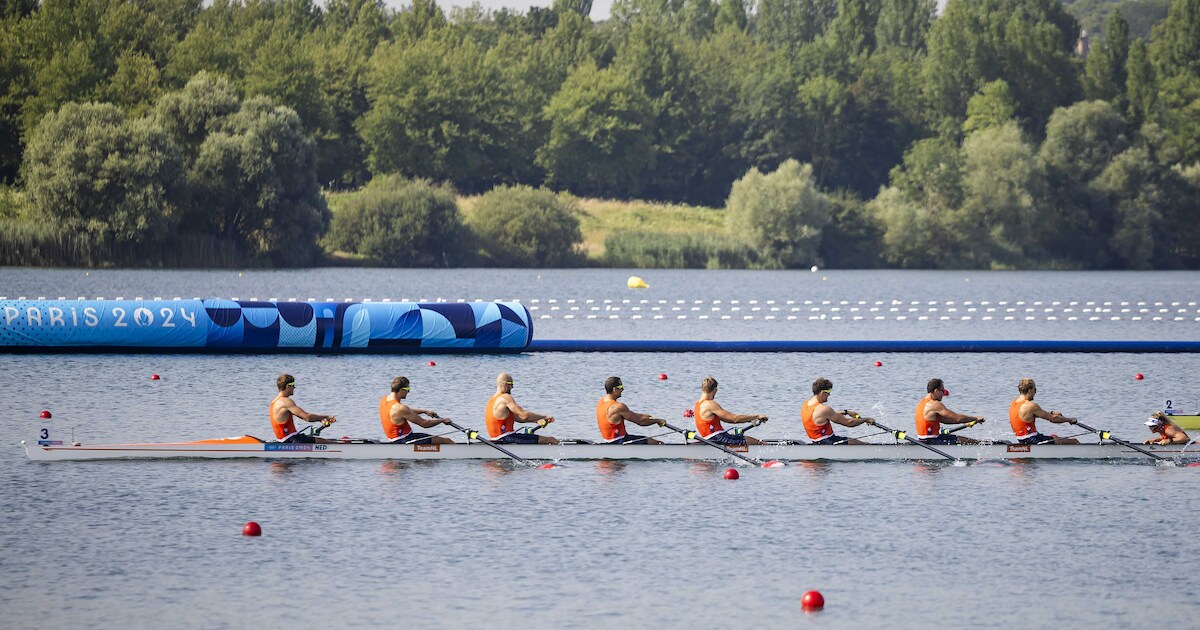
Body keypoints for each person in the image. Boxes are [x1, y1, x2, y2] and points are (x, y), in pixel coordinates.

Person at [485, 372, 560, 445]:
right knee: (551, 440)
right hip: (506, 438)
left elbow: (519, 418)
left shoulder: (491, 400)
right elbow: (524, 415)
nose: (512, 387)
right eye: (511, 384)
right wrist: (545, 417)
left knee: (538, 439)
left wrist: (536, 420)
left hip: (496, 439)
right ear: (505, 384)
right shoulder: (505, 398)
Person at [694, 376, 768, 446]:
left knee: (741, 437)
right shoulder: (710, 404)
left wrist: (749, 419)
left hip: (708, 439)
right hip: (718, 438)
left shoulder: (697, 405)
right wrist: (757, 416)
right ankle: (767, 449)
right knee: (756, 442)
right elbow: (734, 419)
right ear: (715, 390)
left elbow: (727, 420)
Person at [380, 376, 456, 445]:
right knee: (447, 441)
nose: (408, 392)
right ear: (401, 390)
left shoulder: (384, 400)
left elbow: (405, 412)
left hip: (396, 439)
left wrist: (424, 411)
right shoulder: (400, 408)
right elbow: (425, 424)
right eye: (407, 389)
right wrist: (442, 420)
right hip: (404, 441)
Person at [800, 377, 874, 445]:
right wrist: (866, 419)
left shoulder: (806, 404)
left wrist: (846, 412)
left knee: (851, 440)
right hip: (828, 442)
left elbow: (825, 415)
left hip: (816, 441)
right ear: (823, 392)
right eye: (828, 392)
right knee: (864, 444)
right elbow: (849, 423)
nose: (829, 395)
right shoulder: (823, 409)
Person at [1008, 378, 1080, 445]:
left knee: (1054, 436)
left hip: (1021, 439)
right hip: (1032, 439)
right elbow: (1053, 419)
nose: (1035, 393)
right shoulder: (1031, 405)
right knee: (1074, 441)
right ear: (1029, 390)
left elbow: (1029, 415)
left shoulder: (1013, 403)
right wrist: (1069, 419)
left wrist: (1052, 413)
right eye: (1035, 390)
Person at [269, 374, 337, 443]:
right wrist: (326, 416)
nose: (294, 387)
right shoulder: (285, 401)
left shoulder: (274, 402)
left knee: (320, 440)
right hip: (291, 439)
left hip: (284, 440)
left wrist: (321, 419)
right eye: (293, 384)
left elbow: (302, 416)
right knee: (329, 443)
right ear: (287, 386)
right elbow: (307, 417)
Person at [915, 378, 986, 445]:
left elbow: (945, 420)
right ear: (936, 391)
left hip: (924, 440)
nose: (943, 394)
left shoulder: (922, 402)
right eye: (942, 391)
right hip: (932, 441)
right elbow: (957, 418)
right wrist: (975, 418)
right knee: (971, 442)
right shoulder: (934, 404)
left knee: (966, 440)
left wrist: (967, 421)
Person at [597, 376, 665, 444]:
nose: (623, 389)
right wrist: (657, 420)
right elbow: (641, 422)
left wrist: (644, 416)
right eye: (620, 387)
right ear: (614, 389)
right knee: (658, 443)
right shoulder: (618, 407)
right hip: (619, 442)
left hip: (610, 441)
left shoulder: (601, 402)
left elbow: (630, 415)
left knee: (649, 440)